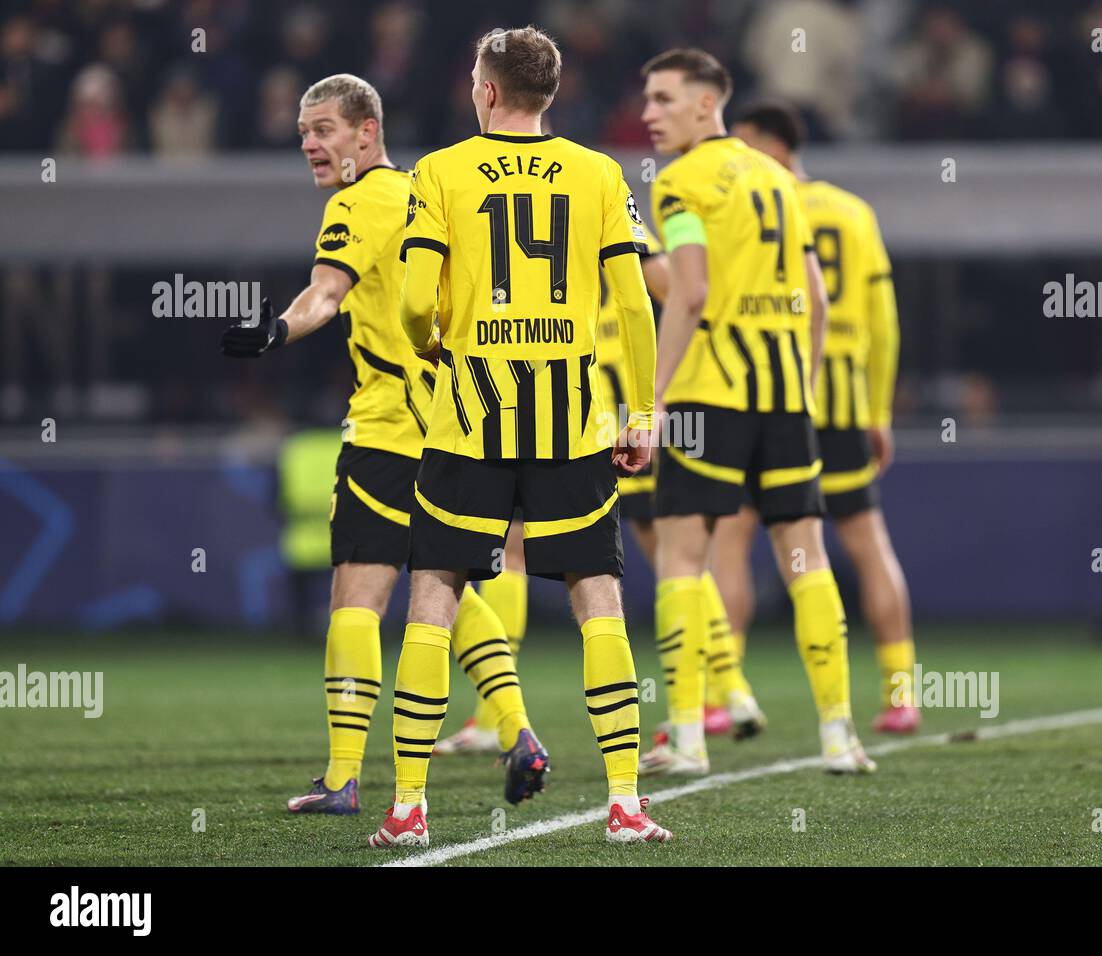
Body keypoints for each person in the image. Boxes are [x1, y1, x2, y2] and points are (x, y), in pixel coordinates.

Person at [219, 73, 545, 819]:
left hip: (389, 433)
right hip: (468, 432)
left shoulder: (360, 201)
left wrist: (275, 330)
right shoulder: (436, 192)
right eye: (305, 132)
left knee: (357, 600)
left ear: (368, 131)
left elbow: (325, 294)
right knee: (448, 590)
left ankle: (341, 778)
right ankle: (516, 730)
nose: (311, 143)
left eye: (326, 128)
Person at [377, 27, 671, 847]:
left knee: (434, 595)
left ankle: (407, 810)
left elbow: (409, 301)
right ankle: (624, 804)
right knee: (598, 602)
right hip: (572, 420)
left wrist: (434, 337)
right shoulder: (598, 174)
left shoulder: (438, 172)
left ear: (488, 91)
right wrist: (640, 413)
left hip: (468, 415)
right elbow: (635, 304)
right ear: (549, 93)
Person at [637, 49, 872, 777]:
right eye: (648, 100)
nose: (649, 114)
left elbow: (691, 291)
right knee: (805, 559)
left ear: (708, 105)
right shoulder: (778, 178)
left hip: (710, 399)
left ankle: (687, 737)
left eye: (665, 100)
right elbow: (819, 300)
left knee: (682, 558)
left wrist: (653, 400)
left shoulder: (679, 183)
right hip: (784, 403)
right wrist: (799, 381)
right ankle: (839, 734)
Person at [726, 101, 920, 734]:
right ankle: (902, 693)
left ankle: (721, 694)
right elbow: (883, 322)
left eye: (745, 141)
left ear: (770, 143)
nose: (736, 153)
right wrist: (879, 410)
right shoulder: (853, 212)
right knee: (867, 544)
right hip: (840, 406)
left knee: (730, 543)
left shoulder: (753, 207)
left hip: (767, 395)